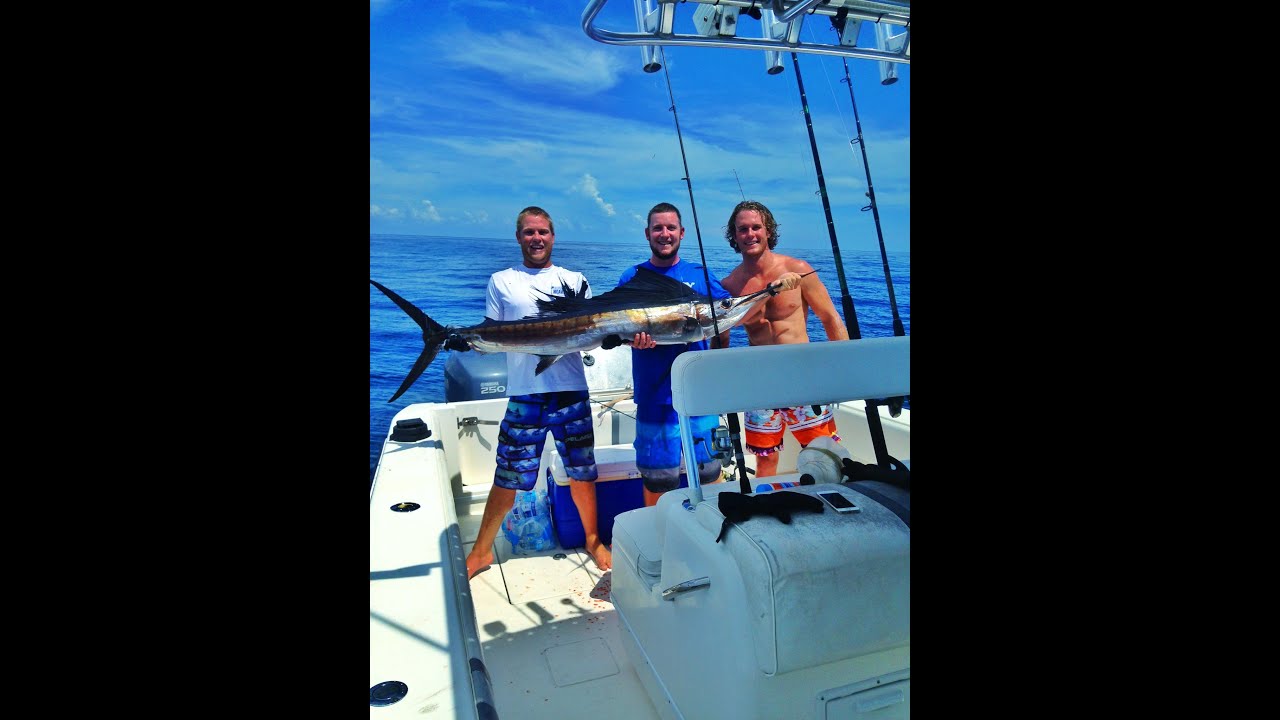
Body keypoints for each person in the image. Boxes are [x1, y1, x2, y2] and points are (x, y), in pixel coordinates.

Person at [464, 206, 611, 579]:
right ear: (518, 237)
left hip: (570, 391)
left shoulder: (575, 280)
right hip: (526, 393)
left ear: (553, 236)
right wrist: (467, 342)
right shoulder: (502, 281)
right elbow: (490, 337)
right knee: (508, 474)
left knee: (582, 471)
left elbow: (590, 340)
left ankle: (593, 539)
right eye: (529, 233)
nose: (537, 239)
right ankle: (481, 551)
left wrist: (611, 338)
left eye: (543, 232)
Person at [625, 202, 800, 506]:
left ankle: (713, 532)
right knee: (658, 479)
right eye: (658, 228)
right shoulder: (632, 277)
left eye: (670, 228)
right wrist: (631, 340)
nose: (664, 234)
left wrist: (770, 291)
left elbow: (732, 314)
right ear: (647, 233)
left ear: (681, 233)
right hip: (654, 396)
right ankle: (658, 538)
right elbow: (618, 329)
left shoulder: (700, 274)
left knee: (709, 472)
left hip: (699, 395)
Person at [718, 199, 849, 478]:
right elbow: (722, 339)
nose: (750, 234)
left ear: (768, 231)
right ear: (734, 235)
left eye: (756, 227)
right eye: (743, 229)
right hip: (760, 383)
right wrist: (721, 384)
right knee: (764, 461)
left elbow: (830, 318)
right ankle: (768, 507)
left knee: (823, 455)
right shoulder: (729, 286)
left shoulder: (798, 268)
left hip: (804, 378)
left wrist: (844, 371)